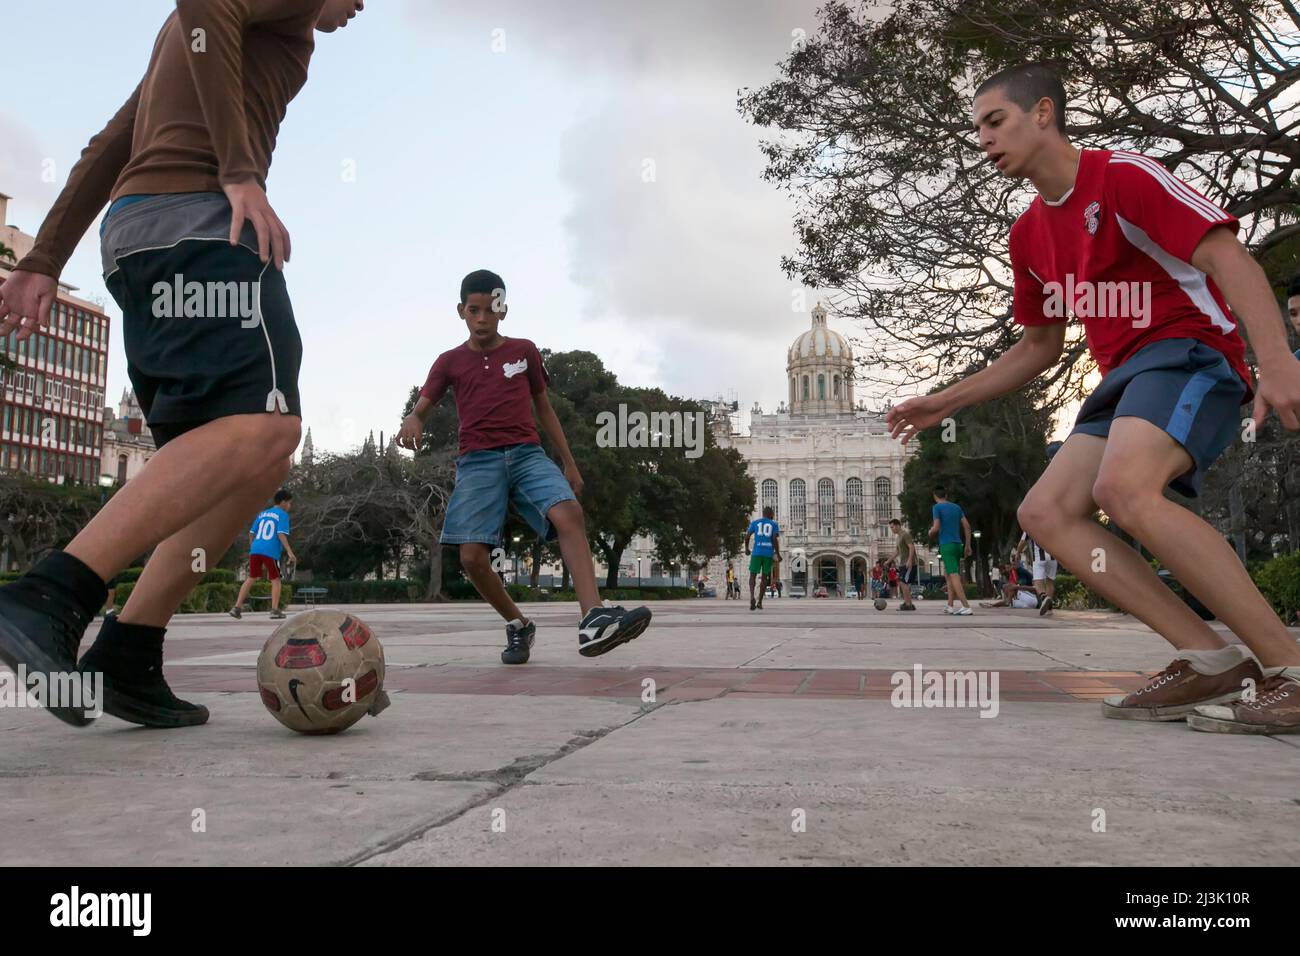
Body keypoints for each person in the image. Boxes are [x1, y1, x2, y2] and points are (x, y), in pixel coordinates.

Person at [887, 63, 1300, 733]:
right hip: (1123, 378)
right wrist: (946, 401)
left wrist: (1277, 360)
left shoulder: (1124, 177)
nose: (984, 140)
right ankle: (1209, 659)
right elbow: (1038, 348)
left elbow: (1228, 255)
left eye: (996, 122)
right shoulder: (1028, 236)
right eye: (977, 130)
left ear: (1043, 113)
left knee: (1125, 489)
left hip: (1189, 349)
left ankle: (1290, 667)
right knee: (1046, 512)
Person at [0, 0, 367, 730]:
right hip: (201, 225)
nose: (363, 6)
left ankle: (128, 653)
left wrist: (44, 259)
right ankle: (48, 595)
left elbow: (113, 141)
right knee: (266, 428)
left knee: (240, 463)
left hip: (142, 238)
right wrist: (239, 173)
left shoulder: (205, 39)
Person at [399, 270, 651, 665]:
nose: (482, 319)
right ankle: (519, 624)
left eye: (490, 310)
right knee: (471, 558)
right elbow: (424, 403)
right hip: (478, 462)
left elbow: (544, 408)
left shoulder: (524, 351)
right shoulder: (449, 361)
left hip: (526, 454)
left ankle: (593, 617)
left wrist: (568, 461)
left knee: (569, 512)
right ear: (461, 311)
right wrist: (414, 419)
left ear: (503, 310)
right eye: (474, 310)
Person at [230, 489, 297, 620]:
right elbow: (280, 534)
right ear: (283, 502)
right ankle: (274, 610)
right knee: (276, 579)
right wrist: (289, 551)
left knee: (251, 577)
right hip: (270, 550)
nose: (290, 506)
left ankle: (236, 607)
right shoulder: (282, 515)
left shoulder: (262, 514)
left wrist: (253, 547)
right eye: (289, 503)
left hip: (255, 549)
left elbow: (251, 533)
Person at [927, 488, 973, 615]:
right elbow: (967, 526)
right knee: (948, 574)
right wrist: (968, 545)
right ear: (946, 495)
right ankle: (950, 605)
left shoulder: (937, 508)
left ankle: (966, 605)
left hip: (946, 544)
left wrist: (930, 532)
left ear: (934, 496)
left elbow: (936, 528)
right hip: (958, 544)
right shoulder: (956, 507)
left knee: (953, 574)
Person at [743, 506, 781, 611]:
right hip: (768, 554)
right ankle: (759, 601)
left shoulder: (755, 523)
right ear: (770, 514)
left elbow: (747, 536)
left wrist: (746, 548)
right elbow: (774, 539)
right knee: (765, 577)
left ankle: (751, 597)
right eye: (773, 514)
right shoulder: (774, 524)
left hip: (756, 552)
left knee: (752, 576)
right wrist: (777, 553)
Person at [1014, 530, 1058, 616]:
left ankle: (1044, 596)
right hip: (1053, 557)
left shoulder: (1030, 525)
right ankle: (1049, 608)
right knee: (1050, 581)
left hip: (1039, 558)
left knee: (1037, 581)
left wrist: (1018, 553)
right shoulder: (1052, 523)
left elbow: (1023, 541)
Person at [889, 518, 918, 611]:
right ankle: (908, 603)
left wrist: (909, 560)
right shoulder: (898, 538)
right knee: (902, 583)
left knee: (903, 582)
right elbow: (897, 551)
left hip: (909, 563)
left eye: (892, 527)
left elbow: (911, 547)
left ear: (898, 525)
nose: (891, 529)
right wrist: (888, 561)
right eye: (890, 527)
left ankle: (908, 604)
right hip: (902, 564)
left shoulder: (905, 535)